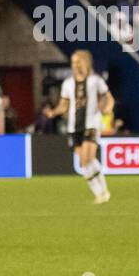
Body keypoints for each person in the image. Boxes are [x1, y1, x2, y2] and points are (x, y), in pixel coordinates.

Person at [44, 49, 113, 204]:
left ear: (86, 62)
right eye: (73, 62)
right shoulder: (68, 84)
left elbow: (109, 98)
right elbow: (64, 105)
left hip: (92, 123)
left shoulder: (96, 80)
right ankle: (101, 193)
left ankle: (102, 192)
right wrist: (53, 112)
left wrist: (108, 108)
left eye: (78, 61)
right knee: (84, 162)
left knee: (87, 157)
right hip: (74, 127)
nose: (75, 65)